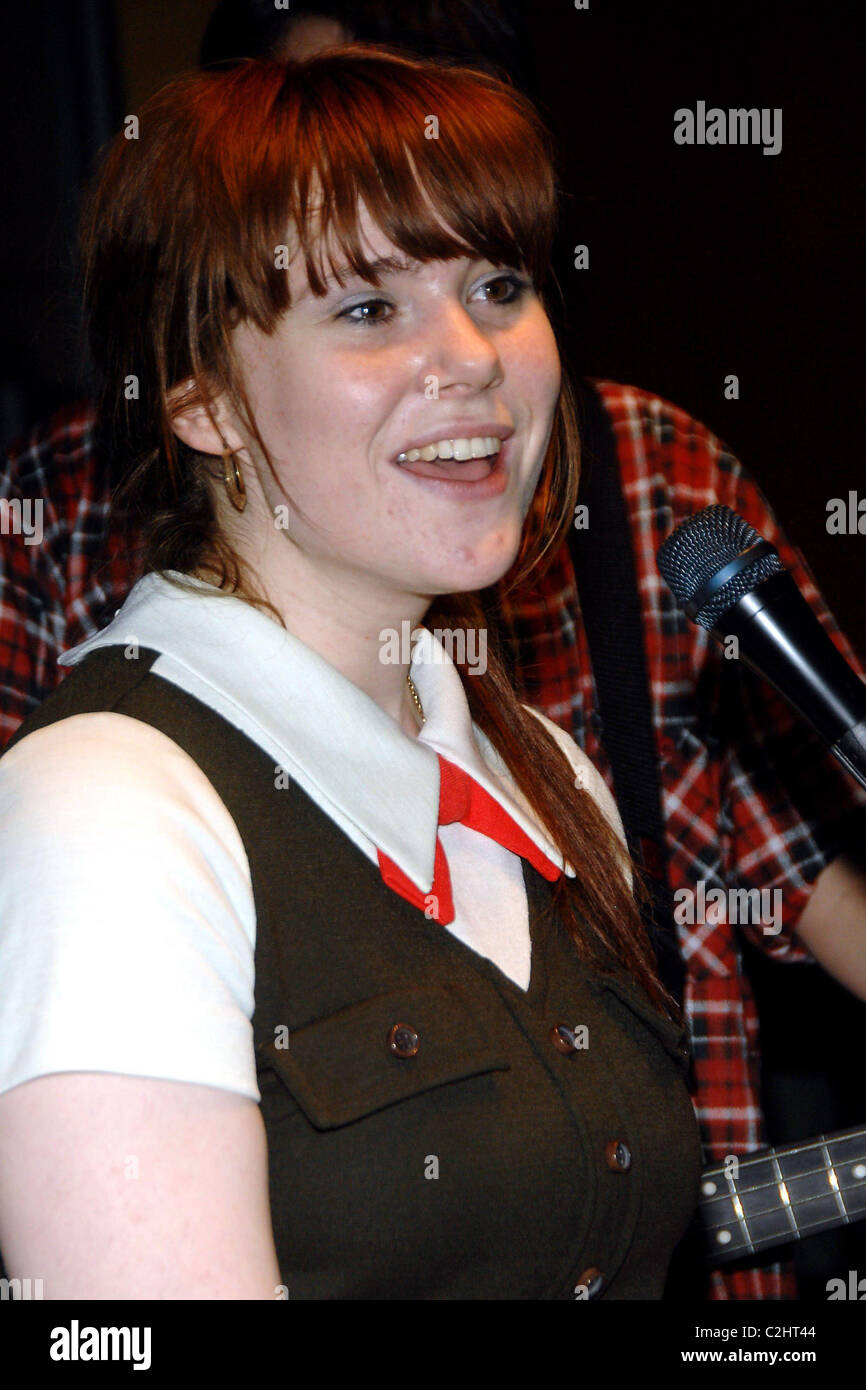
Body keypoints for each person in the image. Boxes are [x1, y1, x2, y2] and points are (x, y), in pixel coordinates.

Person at [2, 0, 865, 1301]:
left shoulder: (549, 780)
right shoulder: (107, 810)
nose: (468, 358)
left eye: (496, 287)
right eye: (365, 307)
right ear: (199, 395)